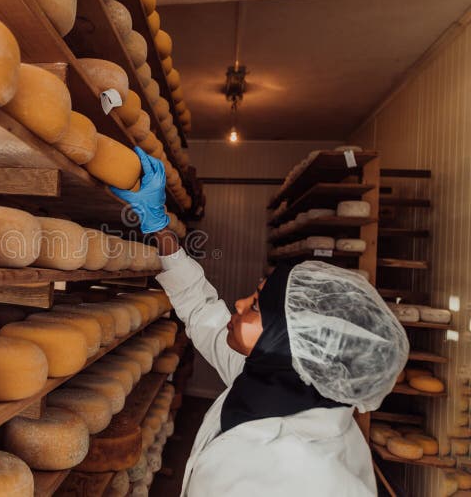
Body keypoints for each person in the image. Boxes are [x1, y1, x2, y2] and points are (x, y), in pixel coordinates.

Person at [111, 148, 409, 497]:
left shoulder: (303, 476)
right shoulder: (279, 381)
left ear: (286, 338)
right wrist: (158, 224)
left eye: (255, 305)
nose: (238, 303)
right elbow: (200, 308)